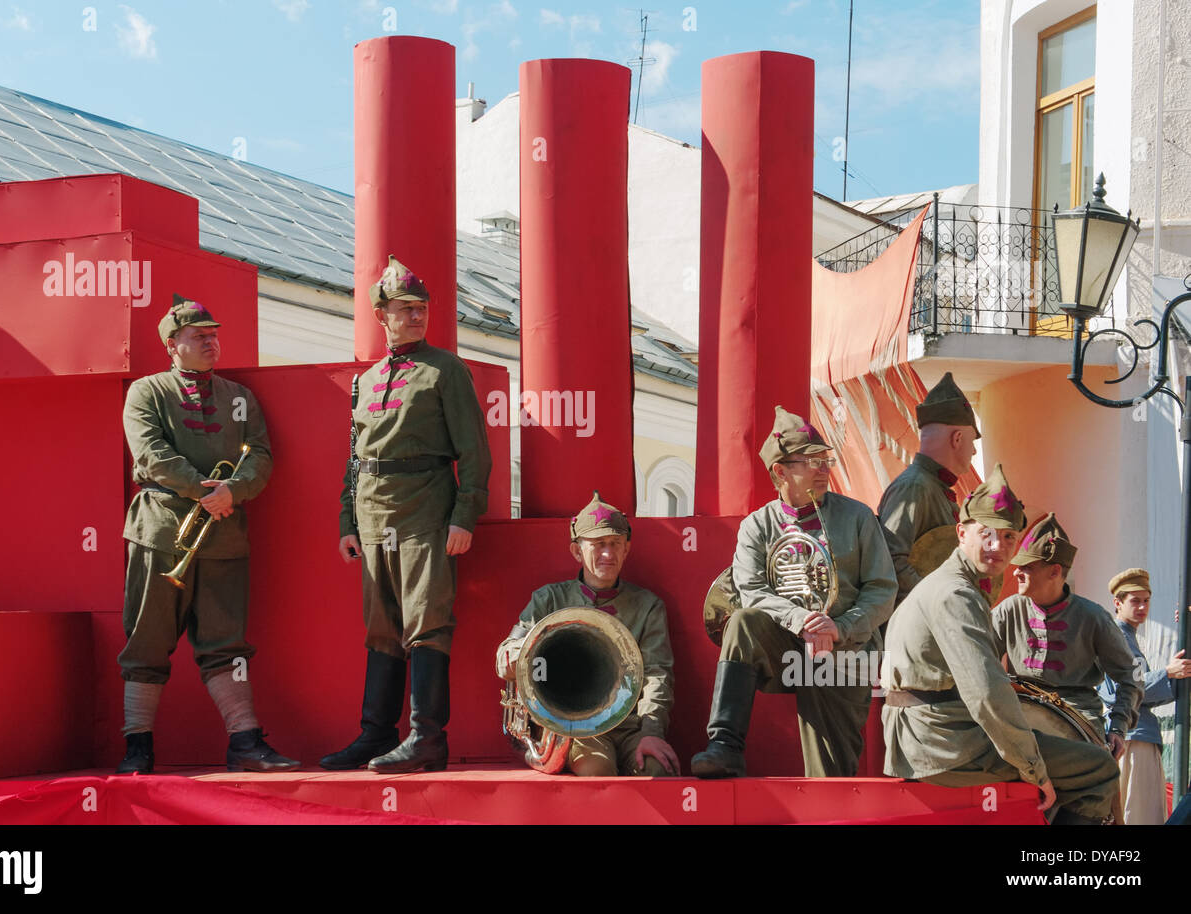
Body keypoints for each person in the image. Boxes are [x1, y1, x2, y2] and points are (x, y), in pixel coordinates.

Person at [321, 255, 492, 773]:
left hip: (426, 507)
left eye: (421, 308)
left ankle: (426, 738)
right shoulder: (367, 380)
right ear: (383, 315)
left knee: (426, 620)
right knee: (381, 625)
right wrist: (348, 522)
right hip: (373, 510)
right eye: (405, 308)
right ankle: (376, 735)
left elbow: (476, 452)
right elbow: (355, 458)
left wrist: (465, 514)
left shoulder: (447, 370)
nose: (416, 316)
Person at [117, 297, 298, 774]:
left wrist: (233, 491)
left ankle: (245, 741)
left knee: (226, 644)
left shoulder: (239, 395)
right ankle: (138, 747)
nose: (211, 342)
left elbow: (260, 455)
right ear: (172, 344)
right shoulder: (145, 391)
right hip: (160, 531)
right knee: (146, 640)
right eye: (199, 336)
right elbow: (151, 453)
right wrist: (203, 490)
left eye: (213, 334)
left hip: (224, 534)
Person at [882, 466, 1120, 824]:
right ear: (962, 533)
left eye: (1009, 537)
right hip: (943, 743)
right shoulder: (955, 594)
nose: (998, 547)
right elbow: (986, 693)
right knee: (1098, 770)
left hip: (934, 734)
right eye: (987, 534)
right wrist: (1033, 768)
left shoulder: (947, 584)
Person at [691, 406, 898, 779]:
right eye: (812, 462)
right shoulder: (758, 525)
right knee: (741, 622)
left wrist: (839, 627)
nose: (825, 469)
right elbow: (749, 588)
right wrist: (800, 619)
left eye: (826, 460)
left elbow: (882, 590)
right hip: (786, 645)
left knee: (830, 776)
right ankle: (724, 745)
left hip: (844, 652)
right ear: (781, 471)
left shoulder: (857, 517)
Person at [496, 492, 678, 776]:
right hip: (578, 730)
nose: (608, 554)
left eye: (615, 544)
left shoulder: (648, 606)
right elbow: (502, 660)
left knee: (658, 771)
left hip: (632, 726)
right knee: (597, 773)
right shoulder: (548, 599)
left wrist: (652, 731)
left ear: (627, 549)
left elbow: (658, 673)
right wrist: (530, 649)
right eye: (598, 545)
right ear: (577, 551)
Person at [990, 512, 1141, 756]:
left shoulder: (1093, 617)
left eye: (1027, 567)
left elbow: (1132, 674)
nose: (1016, 572)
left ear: (1054, 571)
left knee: (1098, 778)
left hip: (1079, 715)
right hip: (1018, 709)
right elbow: (978, 660)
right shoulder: (1009, 610)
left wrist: (1119, 728)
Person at [1100, 568, 1191, 824]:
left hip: (1137, 735)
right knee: (1140, 815)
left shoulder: (1128, 638)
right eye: (1135, 600)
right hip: (1131, 737)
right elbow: (1121, 691)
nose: (1142, 607)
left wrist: (1171, 674)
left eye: (1146, 600)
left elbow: (1143, 692)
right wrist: (1167, 673)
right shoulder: (1116, 636)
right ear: (1118, 603)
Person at [877, 371, 978, 601]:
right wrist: (938, 601)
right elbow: (891, 562)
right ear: (957, 439)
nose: (973, 451)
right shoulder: (915, 488)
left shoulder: (930, 486)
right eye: (972, 442)